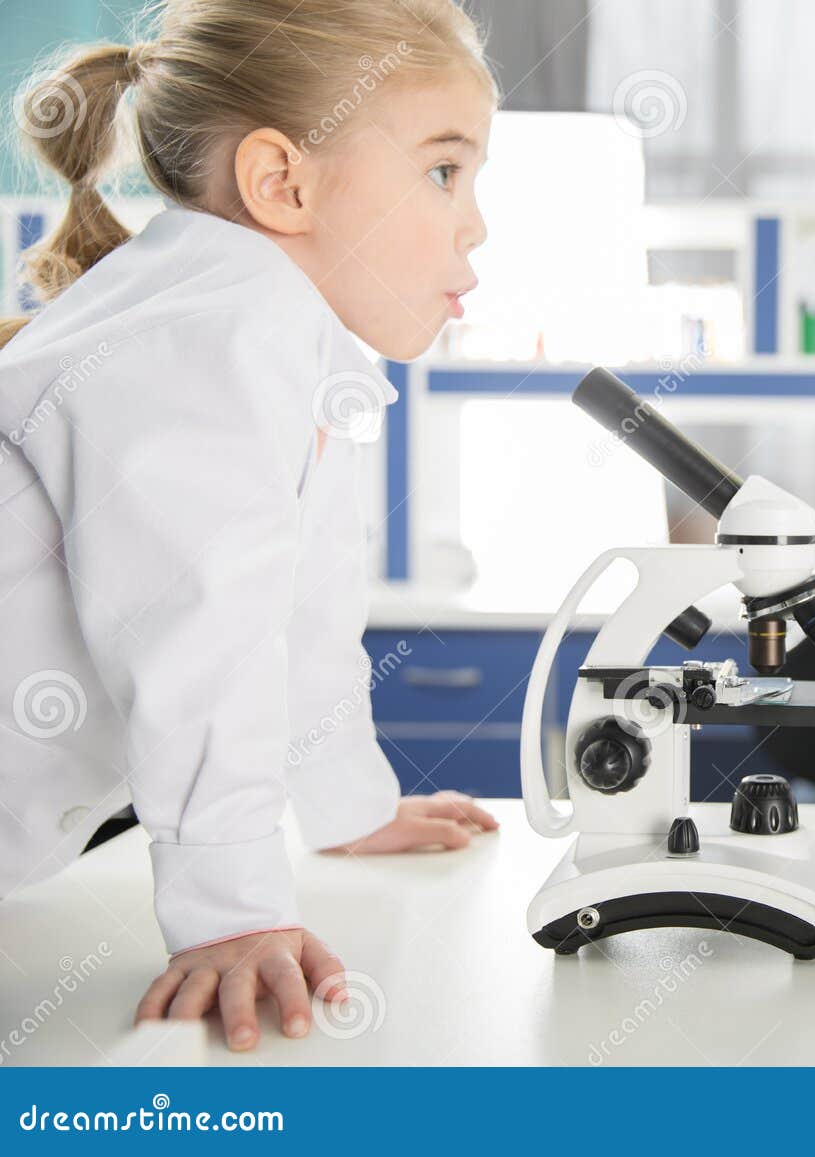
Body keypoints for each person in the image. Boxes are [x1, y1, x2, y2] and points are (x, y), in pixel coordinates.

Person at [0, 0, 500, 1051]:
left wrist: (346, 801)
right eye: (442, 171)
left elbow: (297, 609)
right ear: (283, 183)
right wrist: (232, 914)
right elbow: (201, 629)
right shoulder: (212, 331)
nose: (474, 222)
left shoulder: (267, 331)